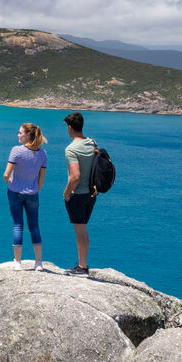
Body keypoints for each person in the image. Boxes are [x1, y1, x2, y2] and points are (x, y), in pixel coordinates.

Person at [3, 122, 48, 271]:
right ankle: (39, 263)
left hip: (15, 192)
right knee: (34, 226)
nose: (18, 135)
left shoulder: (16, 151)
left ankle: (17, 262)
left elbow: (6, 174)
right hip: (33, 194)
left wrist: (10, 181)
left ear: (28, 135)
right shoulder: (42, 154)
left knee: (17, 226)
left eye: (20, 132)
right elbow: (41, 178)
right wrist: (36, 190)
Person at [62, 112, 97, 276]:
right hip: (91, 193)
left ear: (69, 127)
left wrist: (67, 192)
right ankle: (83, 263)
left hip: (78, 194)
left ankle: (82, 267)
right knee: (83, 229)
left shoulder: (71, 149)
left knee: (80, 230)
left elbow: (75, 176)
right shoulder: (92, 143)